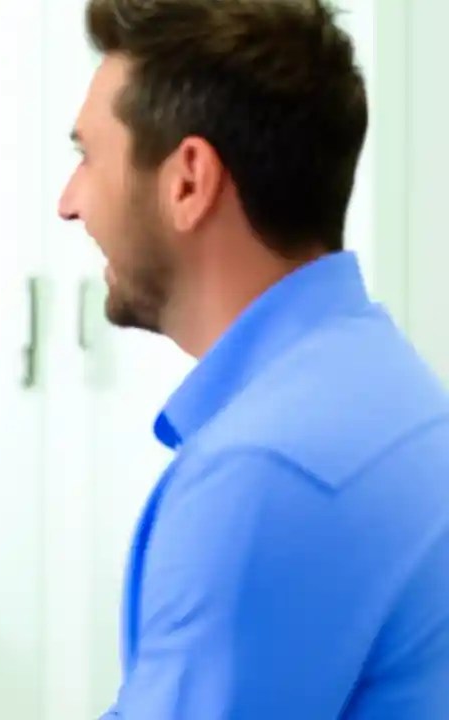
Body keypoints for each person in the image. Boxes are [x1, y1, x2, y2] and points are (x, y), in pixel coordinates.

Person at [59, 0, 449, 717]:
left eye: (87, 156)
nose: (68, 202)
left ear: (188, 181)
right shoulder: (384, 387)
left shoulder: (263, 472)